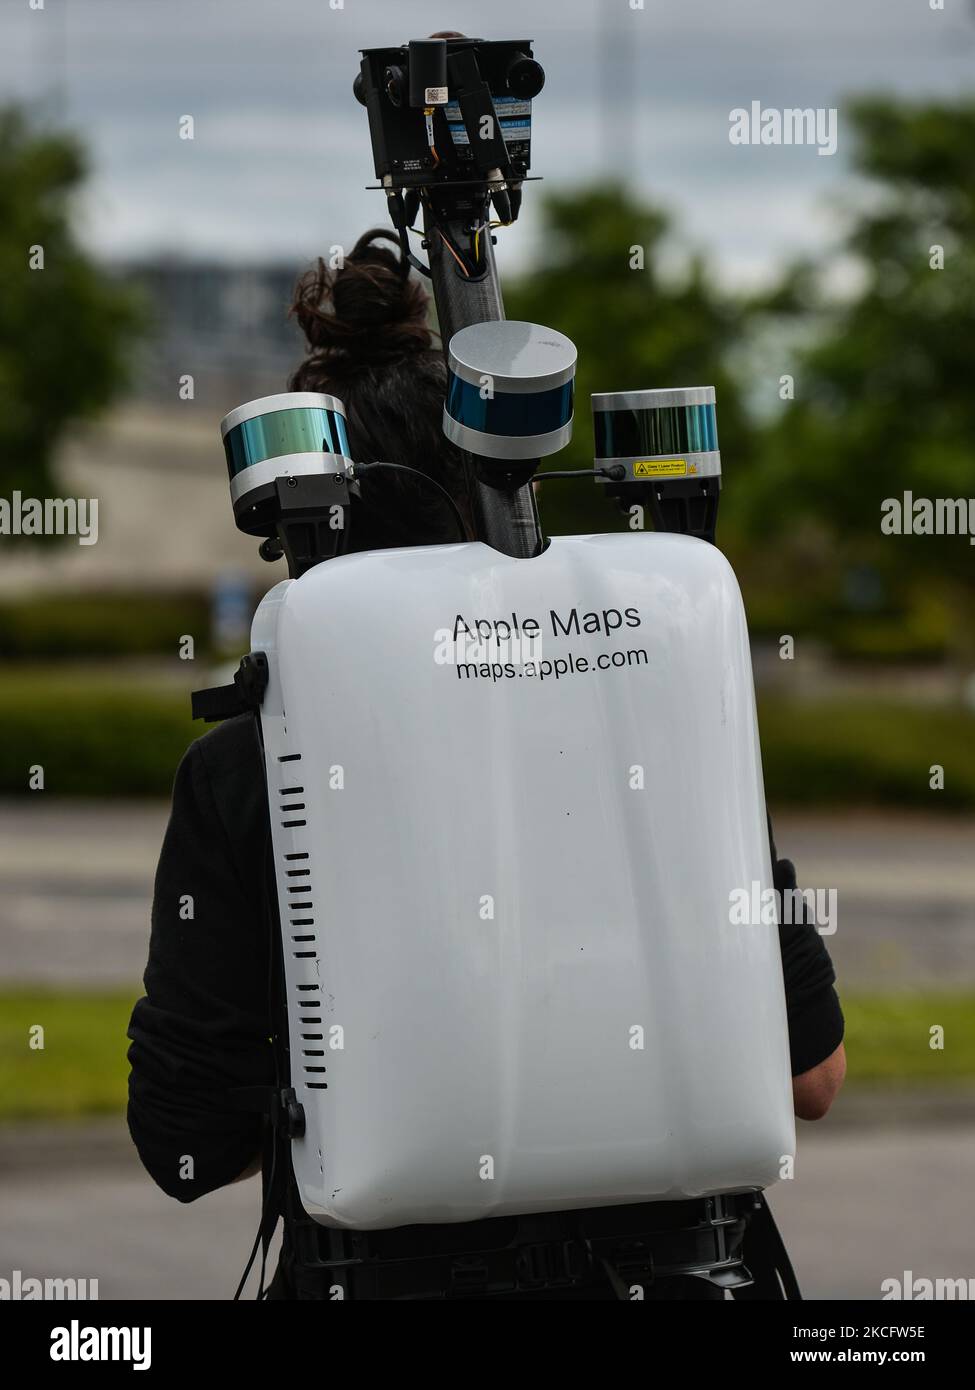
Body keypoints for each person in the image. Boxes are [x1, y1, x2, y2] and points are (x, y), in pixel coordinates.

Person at [126, 228, 845, 1300]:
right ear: (511, 482)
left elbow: (184, 1144)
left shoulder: (246, 766)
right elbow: (812, 1073)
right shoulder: (662, 702)